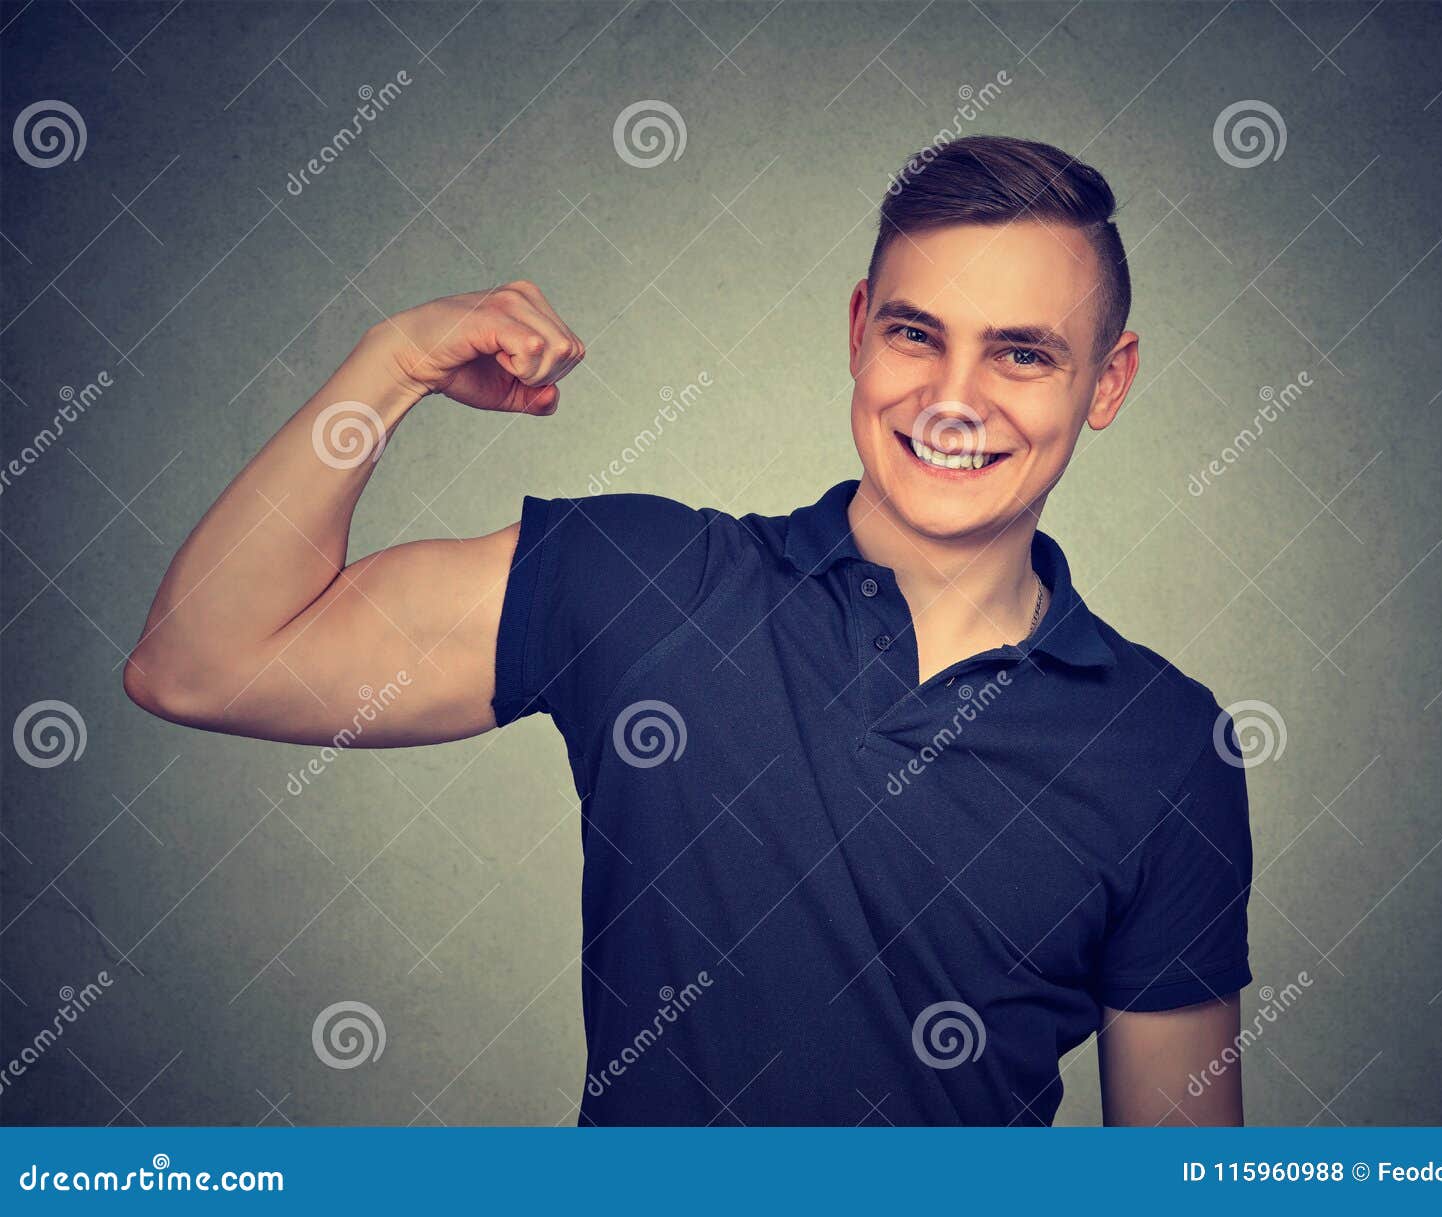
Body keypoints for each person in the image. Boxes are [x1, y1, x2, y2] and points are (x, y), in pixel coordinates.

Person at [125, 134, 1254, 1126]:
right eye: (917, 334)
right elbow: (200, 661)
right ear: (859, 331)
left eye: (1022, 352)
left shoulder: (1164, 747)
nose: (953, 398)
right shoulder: (643, 584)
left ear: (1108, 382)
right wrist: (394, 363)